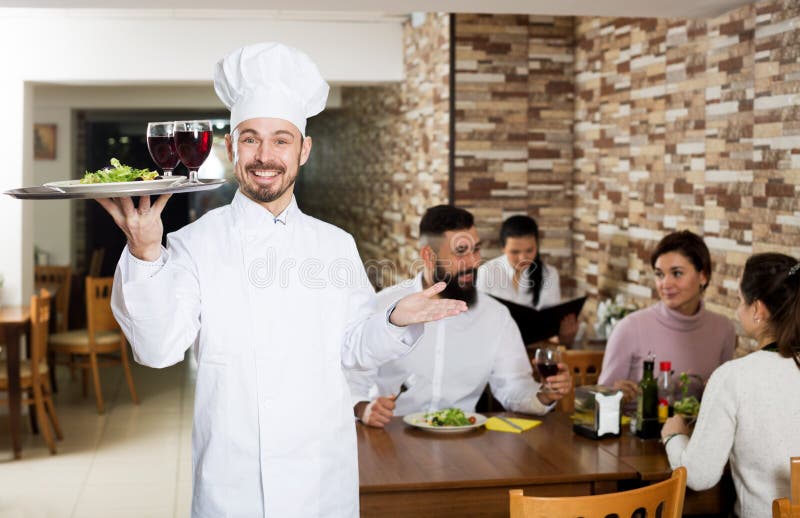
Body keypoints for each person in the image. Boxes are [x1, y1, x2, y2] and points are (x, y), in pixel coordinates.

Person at [97, 43, 467, 517]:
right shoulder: (192, 244)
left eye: (281, 140)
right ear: (231, 147)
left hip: (319, 480)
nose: (264, 155)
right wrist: (146, 253)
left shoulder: (335, 245)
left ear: (304, 150)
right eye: (250, 138)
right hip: (231, 485)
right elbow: (157, 350)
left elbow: (354, 347)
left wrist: (393, 319)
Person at [348, 206, 572, 428]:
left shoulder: (496, 316)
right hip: (388, 435)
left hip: (463, 444)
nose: (474, 262)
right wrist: (362, 408)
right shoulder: (384, 306)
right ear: (428, 255)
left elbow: (513, 385)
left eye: (476, 250)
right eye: (461, 252)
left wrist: (545, 394)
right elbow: (351, 378)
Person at [661, 253, 800, 518]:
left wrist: (673, 436)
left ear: (758, 309)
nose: (738, 310)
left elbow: (699, 476)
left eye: (739, 301)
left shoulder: (734, 377)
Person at [597, 230, 735, 403]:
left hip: (698, 429)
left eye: (677, 273)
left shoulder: (723, 329)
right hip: (638, 429)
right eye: (659, 274)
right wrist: (615, 395)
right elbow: (599, 402)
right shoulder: (629, 328)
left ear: (703, 276)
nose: (665, 284)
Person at [476, 215, 578, 344]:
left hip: (536, 350)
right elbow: (479, 318)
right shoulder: (487, 272)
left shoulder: (549, 274)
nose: (523, 258)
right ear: (503, 248)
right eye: (514, 252)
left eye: (529, 250)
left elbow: (552, 328)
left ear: (537, 245)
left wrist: (566, 334)